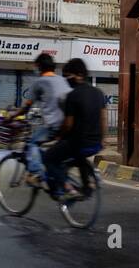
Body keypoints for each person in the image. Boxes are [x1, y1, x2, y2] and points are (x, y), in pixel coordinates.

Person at [44, 58, 106, 200]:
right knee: (79, 156)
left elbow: (68, 125)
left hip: (79, 143)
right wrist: (102, 139)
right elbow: (104, 119)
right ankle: (88, 185)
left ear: (78, 74)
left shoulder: (72, 96)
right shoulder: (98, 92)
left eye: (67, 75)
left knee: (48, 157)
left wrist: (58, 136)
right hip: (95, 144)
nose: (66, 79)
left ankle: (67, 186)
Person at [15, 53, 69, 187]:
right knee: (55, 155)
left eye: (36, 67)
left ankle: (36, 173)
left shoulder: (39, 82)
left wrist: (12, 116)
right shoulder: (62, 80)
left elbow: (26, 108)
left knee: (32, 142)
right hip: (68, 124)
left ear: (39, 67)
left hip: (53, 125)